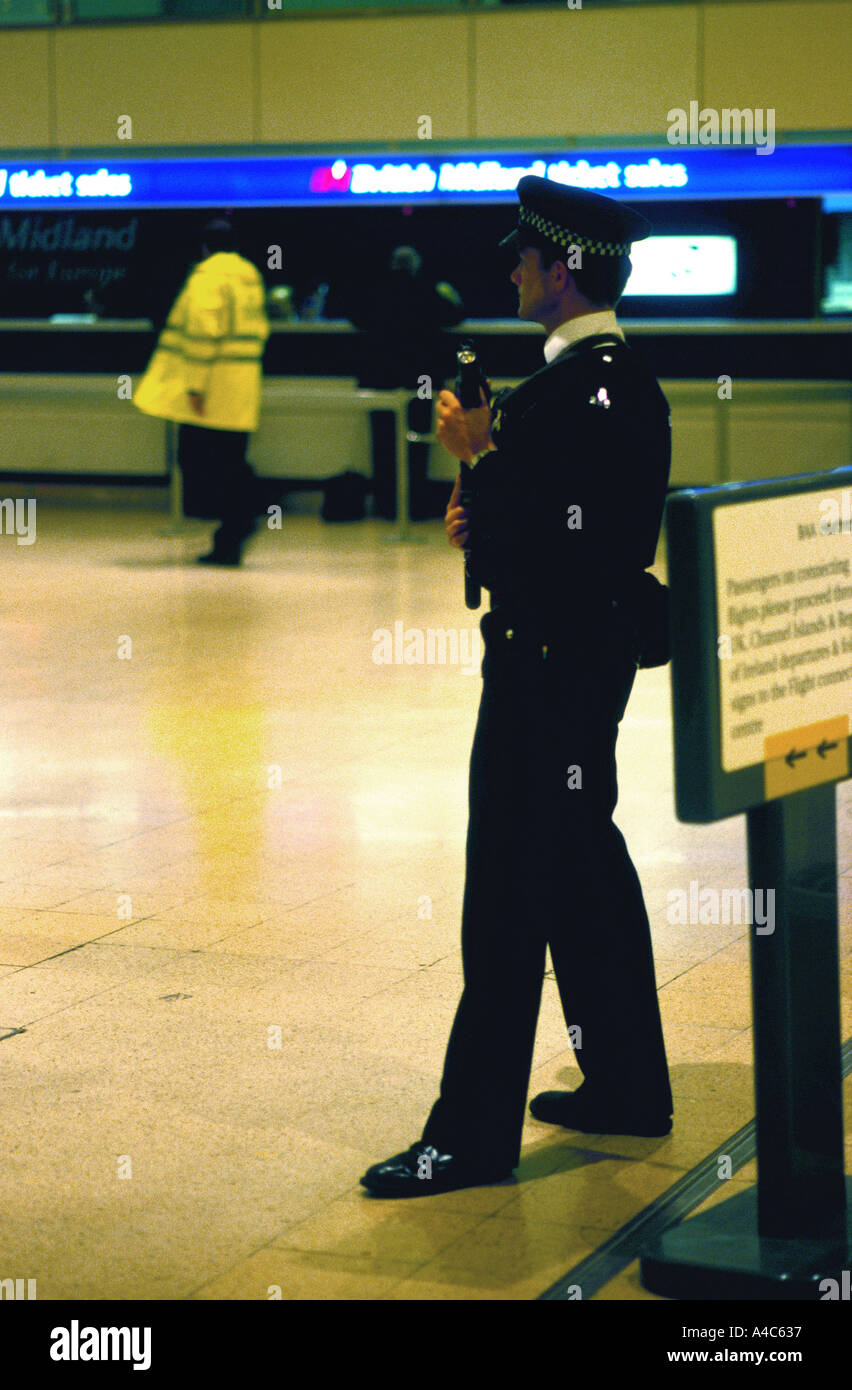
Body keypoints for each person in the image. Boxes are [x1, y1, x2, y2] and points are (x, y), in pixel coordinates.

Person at [361, 177, 674, 1198]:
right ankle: (628, 1082)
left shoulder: (580, 392)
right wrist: (488, 494)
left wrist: (479, 462)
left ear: (565, 267)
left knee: (504, 902)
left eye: (526, 258)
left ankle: (469, 1136)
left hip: (546, 674)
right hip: (580, 667)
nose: (512, 269)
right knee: (585, 868)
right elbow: (549, 534)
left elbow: (554, 558)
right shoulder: (608, 382)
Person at [134, 219, 270, 565]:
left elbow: (202, 333)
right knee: (231, 460)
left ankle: (241, 519)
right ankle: (233, 533)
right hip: (242, 385)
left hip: (210, 389)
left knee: (198, 461)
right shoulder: (249, 276)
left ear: (205, 247)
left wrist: (194, 385)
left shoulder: (207, 278)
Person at [347, 245, 465, 519]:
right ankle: (414, 504)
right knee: (417, 442)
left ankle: (385, 504)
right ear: (415, 265)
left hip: (381, 378)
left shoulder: (374, 289)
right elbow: (455, 315)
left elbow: (356, 317)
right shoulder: (429, 289)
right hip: (419, 380)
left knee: (383, 442)